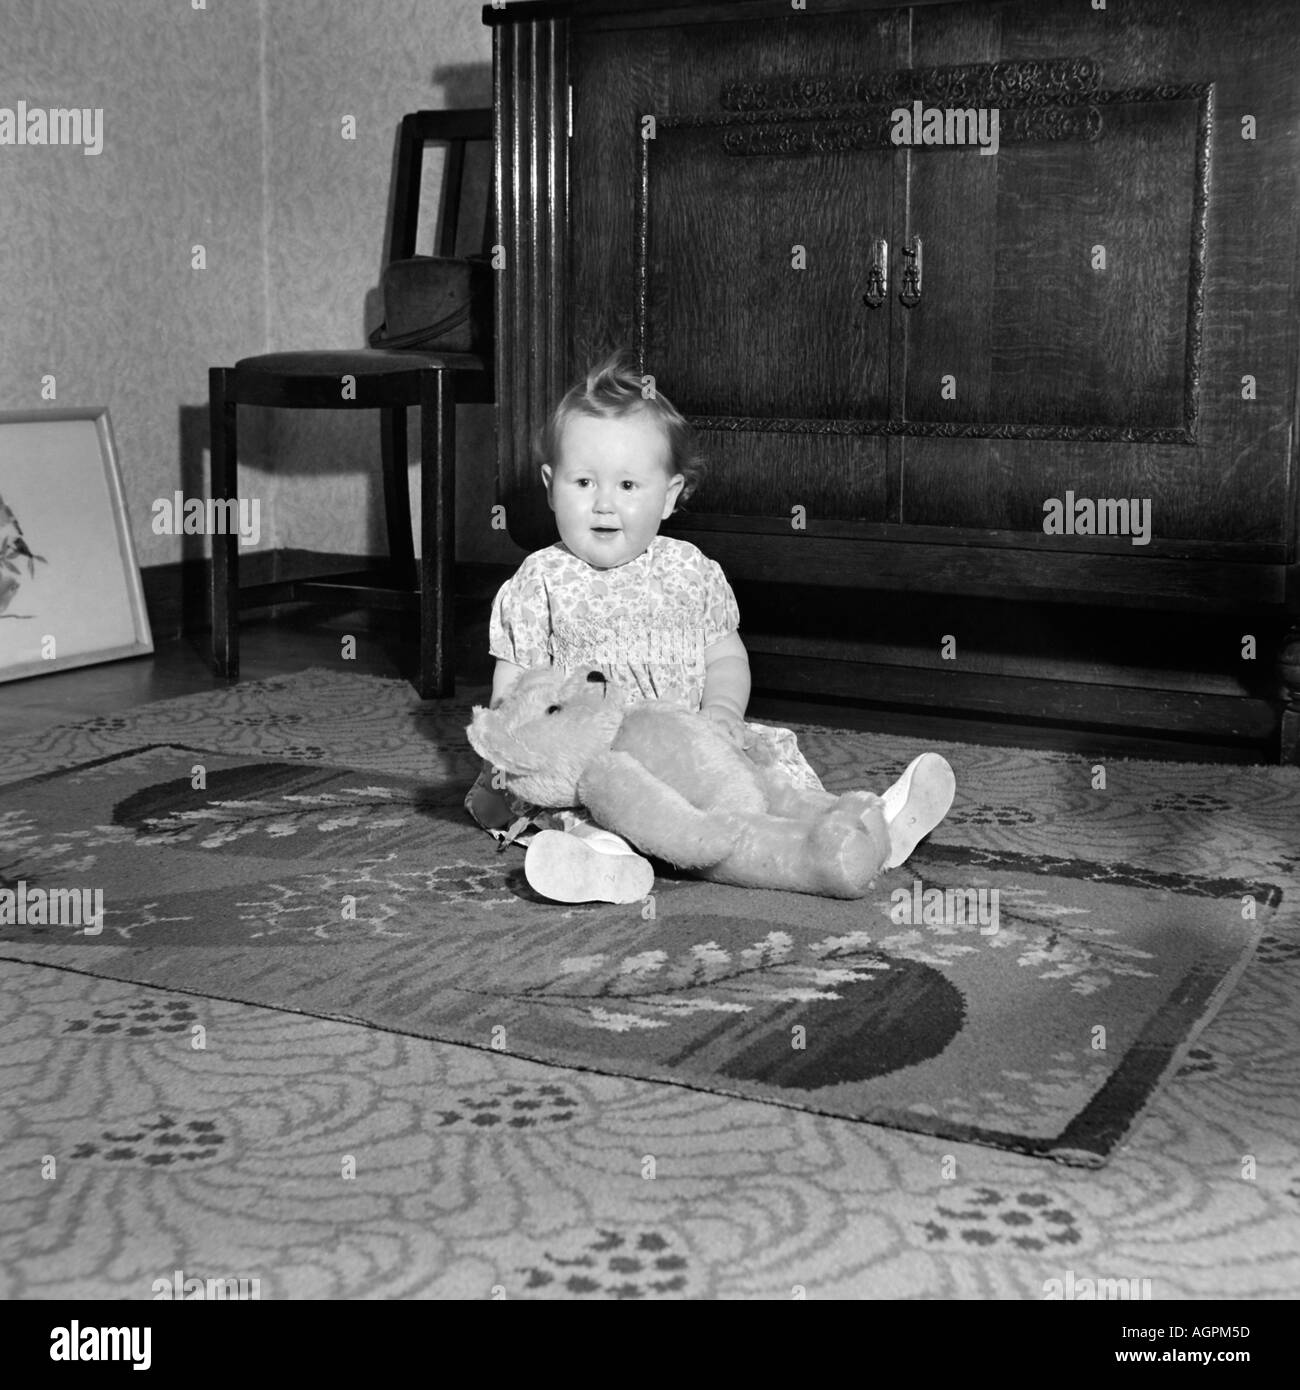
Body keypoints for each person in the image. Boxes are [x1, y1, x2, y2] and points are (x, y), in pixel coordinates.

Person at [466, 350, 954, 902]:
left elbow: (725, 657)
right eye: (583, 482)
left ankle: (869, 824)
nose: (604, 503)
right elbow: (515, 687)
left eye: (628, 486)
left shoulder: (690, 571)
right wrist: (517, 747)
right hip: (595, 768)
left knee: (763, 782)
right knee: (587, 808)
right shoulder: (540, 580)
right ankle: (601, 860)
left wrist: (722, 714)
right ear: (551, 485)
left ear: (670, 495)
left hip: (692, 751)